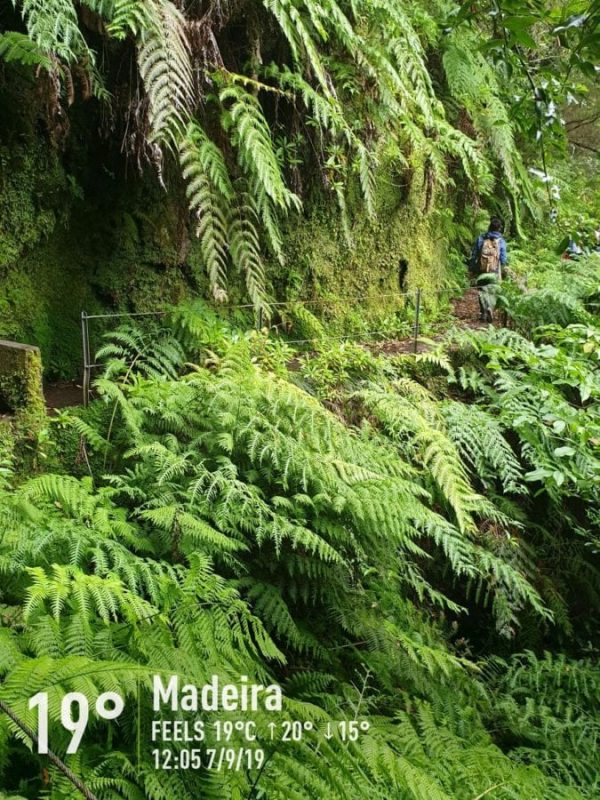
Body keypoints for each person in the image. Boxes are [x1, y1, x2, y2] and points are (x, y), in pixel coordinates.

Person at [469, 216, 508, 322]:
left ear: (489, 227)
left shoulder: (481, 238)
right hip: (494, 269)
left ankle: (483, 312)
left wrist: (472, 268)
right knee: (492, 290)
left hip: (482, 269)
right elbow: (503, 259)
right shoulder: (501, 241)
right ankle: (490, 308)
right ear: (499, 228)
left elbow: (474, 254)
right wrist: (503, 269)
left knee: (482, 290)